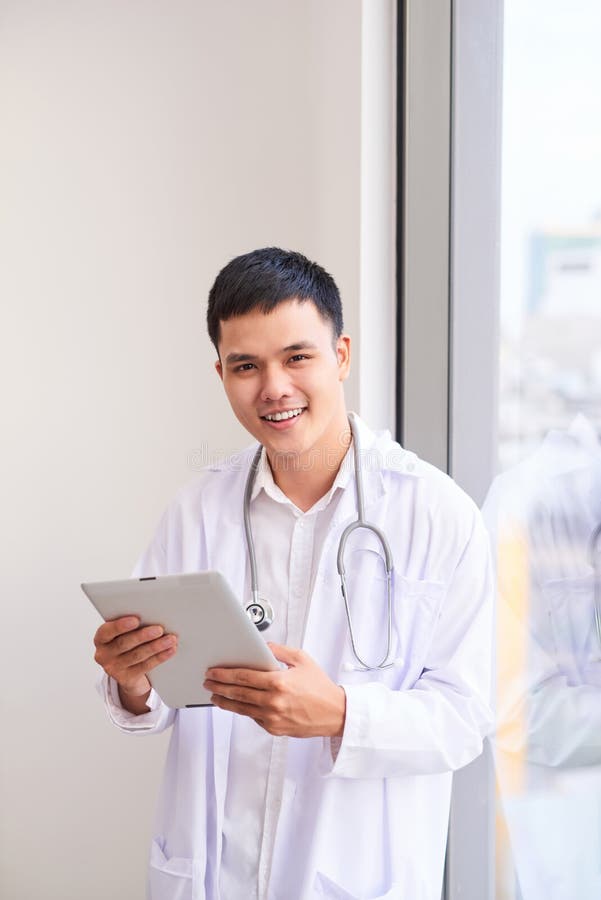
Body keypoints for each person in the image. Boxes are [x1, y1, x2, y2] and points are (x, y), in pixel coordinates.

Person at [94, 247, 493, 900]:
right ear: (220, 372)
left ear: (339, 355)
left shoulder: (436, 514)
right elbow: (154, 700)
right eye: (245, 366)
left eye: (296, 357)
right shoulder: (197, 509)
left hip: (356, 876)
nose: (272, 387)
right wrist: (133, 680)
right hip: (211, 873)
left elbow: (465, 716)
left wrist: (340, 714)